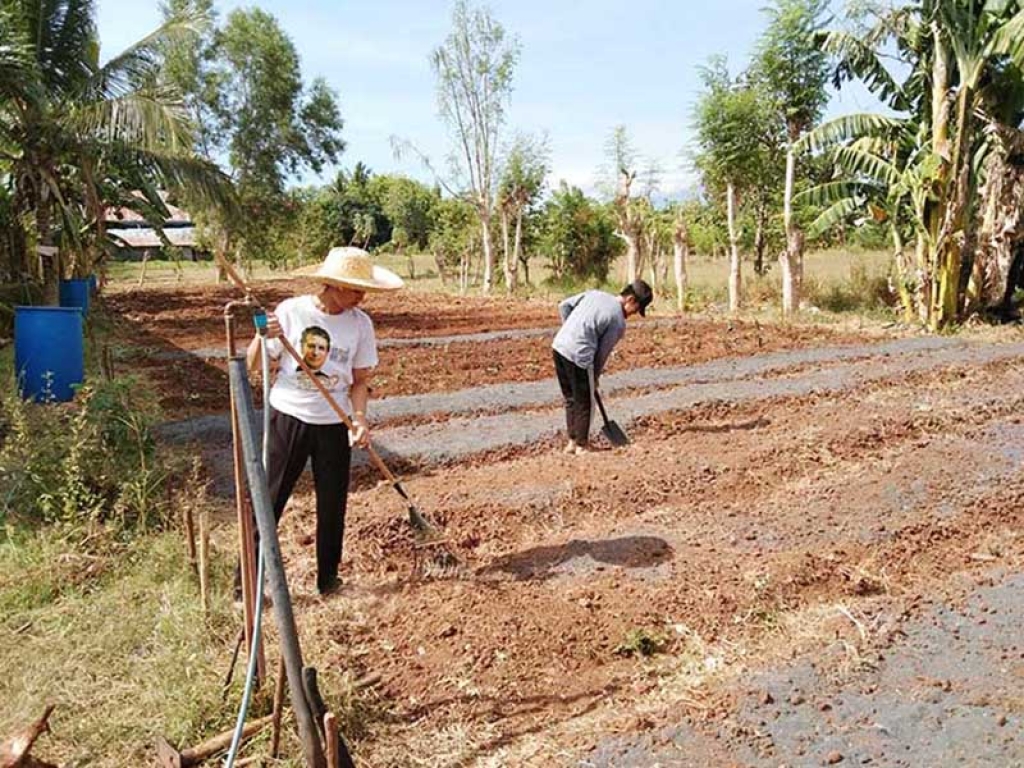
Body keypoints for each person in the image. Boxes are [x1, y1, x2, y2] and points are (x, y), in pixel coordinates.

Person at [245, 246, 403, 595]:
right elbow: (255, 366)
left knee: (333, 504)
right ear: (332, 284)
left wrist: (359, 419)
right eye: (355, 288)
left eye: (364, 289)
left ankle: (328, 580)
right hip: (288, 417)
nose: (362, 296)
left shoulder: (361, 324)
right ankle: (247, 584)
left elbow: (360, 381)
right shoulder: (291, 312)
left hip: (334, 424)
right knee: (269, 501)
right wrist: (261, 336)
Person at [552, 279, 653, 454]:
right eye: (637, 309)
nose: (635, 313)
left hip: (559, 346)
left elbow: (564, 306)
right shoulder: (618, 321)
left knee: (571, 398)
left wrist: (570, 329)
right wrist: (595, 376)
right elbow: (601, 354)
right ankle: (582, 446)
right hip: (579, 355)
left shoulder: (595, 294)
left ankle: (572, 442)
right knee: (586, 401)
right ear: (630, 300)